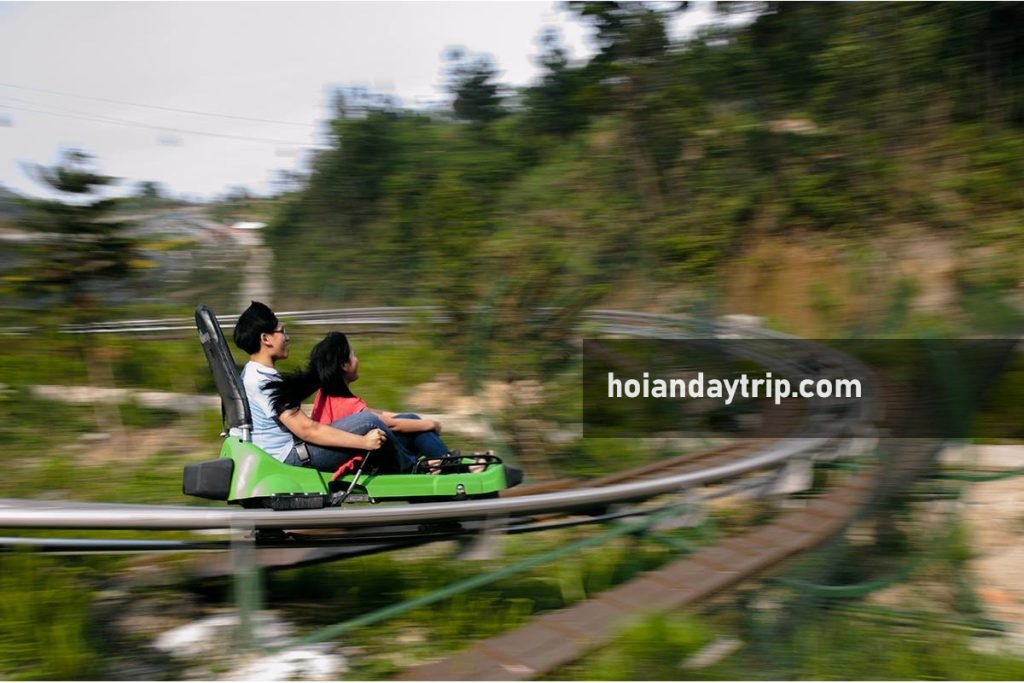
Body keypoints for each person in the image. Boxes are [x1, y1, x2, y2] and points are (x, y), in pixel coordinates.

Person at [230, 301, 419, 474]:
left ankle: (424, 464)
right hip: (290, 458)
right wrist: (364, 443)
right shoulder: (262, 381)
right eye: (282, 331)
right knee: (369, 421)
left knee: (407, 420)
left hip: (288, 453)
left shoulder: (253, 373)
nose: (287, 338)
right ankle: (416, 471)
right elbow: (307, 430)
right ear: (266, 339)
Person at [266, 331, 462, 470]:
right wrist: (431, 424)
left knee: (411, 419)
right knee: (419, 427)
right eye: (353, 355)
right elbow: (390, 424)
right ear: (343, 365)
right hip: (359, 456)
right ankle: (450, 467)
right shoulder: (346, 403)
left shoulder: (327, 395)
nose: (357, 360)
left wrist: (419, 422)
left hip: (353, 451)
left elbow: (381, 415)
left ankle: (445, 462)